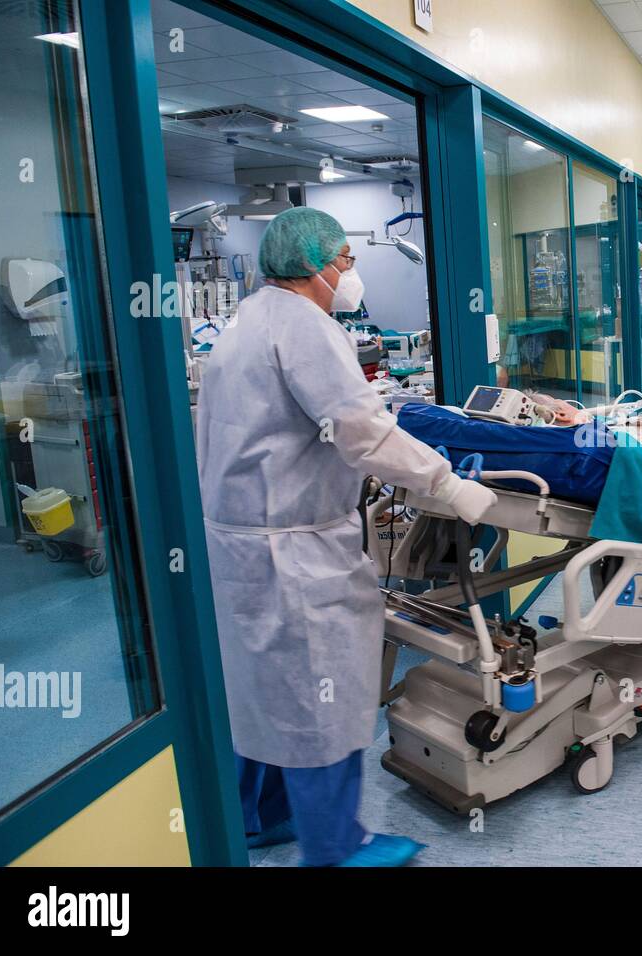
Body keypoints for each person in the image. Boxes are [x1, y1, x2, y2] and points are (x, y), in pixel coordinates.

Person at [196, 207, 496, 867]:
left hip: (243, 544)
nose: (349, 273)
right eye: (343, 260)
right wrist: (448, 484)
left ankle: (264, 817)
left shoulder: (246, 323)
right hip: (296, 553)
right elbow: (360, 433)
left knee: (263, 691)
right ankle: (338, 847)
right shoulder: (306, 327)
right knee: (318, 696)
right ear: (311, 264)